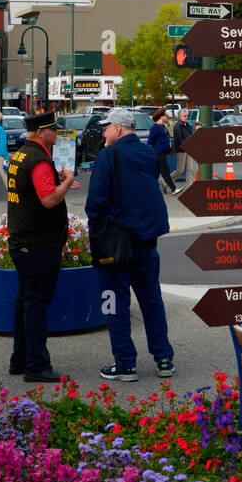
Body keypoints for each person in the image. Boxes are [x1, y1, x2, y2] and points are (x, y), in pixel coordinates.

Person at [85, 108, 174, 383]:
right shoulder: (148, 153)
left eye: (106, 127)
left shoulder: (108, 155)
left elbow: (95, 203)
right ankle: (164, 359)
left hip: (118, 242)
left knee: (114, 302)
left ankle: (125, 364)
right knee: (151, 299)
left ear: (119, 129)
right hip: (147, 240)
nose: (103, 132)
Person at [6, 109, 79, 384]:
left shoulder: (20, 155)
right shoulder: (38, 160)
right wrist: (68, 181)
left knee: (25, 300)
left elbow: (34, 190)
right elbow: (49, 200)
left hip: (22, 240)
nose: (56, 133)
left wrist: (57, 183)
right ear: (40, 132)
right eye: (53, 129)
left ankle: (20, 359)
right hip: (38, 244)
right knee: (36, 304)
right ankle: (37, 366)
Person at [148, 107, 176, 194]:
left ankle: (153, 189)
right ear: (161, 116)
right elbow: (150, 141)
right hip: (158, 153)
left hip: (163, 153)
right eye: (166, 115)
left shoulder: (163, 126)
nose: (167, 117)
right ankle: (174, 189)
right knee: (165, 171)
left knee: (156, 172)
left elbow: (166, 138)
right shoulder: (155, 127)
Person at [173, 108, 196, 185]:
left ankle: (189, 187)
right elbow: (179, 139)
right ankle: (166, 182)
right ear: (180, 116)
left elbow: (191, 135)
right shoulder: (177, 126)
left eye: (187, 116)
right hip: (181, 150)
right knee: (180, 170)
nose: (186, 117)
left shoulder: (187, 125)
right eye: (184, 116)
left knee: (190, 169)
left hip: (188, 150)